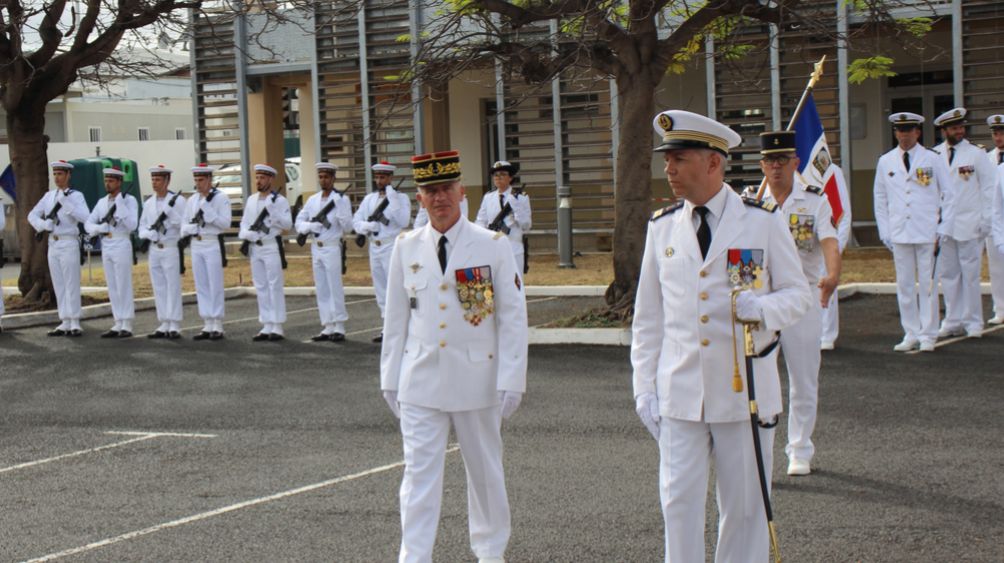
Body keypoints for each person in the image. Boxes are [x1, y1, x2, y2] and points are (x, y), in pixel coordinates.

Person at [632, 110, 811, 562]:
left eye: (679, 158)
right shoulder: (662, 227)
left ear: (713, 163)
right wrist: (644, 389)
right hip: (681, 393)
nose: (668, 169)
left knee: (745, 510)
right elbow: (648, 319)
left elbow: (798, 295)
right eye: (667, 159)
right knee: (678, 506)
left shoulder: (761, 220)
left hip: (744, 392)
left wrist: (764, 309)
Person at [381, 150, 527, 563]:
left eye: (446, 188)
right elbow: (395, 320)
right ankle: (415, 556)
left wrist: (512, 378)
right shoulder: (406, 247)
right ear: (420, 199)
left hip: (478, 381)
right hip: (420, 380)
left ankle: (490, 553)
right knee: (418, 478)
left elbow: (513, 317)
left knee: (484, 476)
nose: (439, 197)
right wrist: (389, 377)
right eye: (430, 191)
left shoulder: (492, 246)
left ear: (462, 192)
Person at [748, 131, 840, 477]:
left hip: (801, 300)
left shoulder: (814, 201)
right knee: (760, 378)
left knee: (803, 379)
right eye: (770, 161)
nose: (775, 167)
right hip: (762, 303)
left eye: (782, 160)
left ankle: (799, 447)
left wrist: (832, 275)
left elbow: (829, 242)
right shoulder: (751, 202)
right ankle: (761, 451)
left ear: (795, 162)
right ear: (762, 165)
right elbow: (741, 252)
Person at [873, 112, 954, 352]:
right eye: (899, 131)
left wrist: (944, 227)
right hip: (900, 231)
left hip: (927, 230)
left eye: (908, 131)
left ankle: (928, 334)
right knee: (905, 285)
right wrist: (884, 230)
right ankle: (910, 332)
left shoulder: (933, 158)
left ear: (917, 132)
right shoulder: (886, 161)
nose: (904, 135)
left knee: (928, 284)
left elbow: (948, 194)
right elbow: (880, 197)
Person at [931, 108, 997, 339]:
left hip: (971, 223)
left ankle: (973, 321)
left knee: (970, 275)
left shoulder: (976, 154)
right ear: (944, 131)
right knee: (948, 275)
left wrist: (986, 220)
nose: (959, 131)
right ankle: (953, 319)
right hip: (945, 226)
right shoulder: (935, 155)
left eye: (961, 127)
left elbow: (989, 189)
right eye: (954, 128)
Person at [28, 160, 90, 337]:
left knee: (71, 283)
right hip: (52, 244)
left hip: (68, 241)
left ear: (68, 175)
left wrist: (67, 204)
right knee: (59, 284)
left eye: (60, 174)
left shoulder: (76, 196)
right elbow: (31, 215)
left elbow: (85, 217)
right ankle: (64, 321)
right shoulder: (48, 196)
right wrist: (42, 224)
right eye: (55, 174)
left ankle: (75, 321)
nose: (57, 177)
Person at [295, 162, 353, 342]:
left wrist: (340, 207)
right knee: (321, 287)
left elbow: (348, 227)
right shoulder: (313, 200)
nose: (323, 180)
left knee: (334, 286)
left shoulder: (341, 200)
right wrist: (309, 226)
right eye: (321, 177)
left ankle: (340, 326)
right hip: (316, 247)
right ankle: (327, 326)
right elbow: (298, 222)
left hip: (331, 246)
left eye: (327, 177)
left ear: (333, 178)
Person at [353, 161, 410, 342]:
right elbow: (356, 219)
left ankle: (400, 327)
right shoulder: (369, 199)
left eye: (383, 177)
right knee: (380, 289)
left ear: (390, 178)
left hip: (390, 245)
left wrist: (392, 200)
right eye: (377, 177)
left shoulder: (400, 199)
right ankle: (386, 327)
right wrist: (365, 226)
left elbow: (403, 221)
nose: (380, 180)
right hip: (374, 246)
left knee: (395, 288)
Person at [238, 163, 293, 341]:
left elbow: (287, 225)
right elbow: (244, 223)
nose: (258, 181)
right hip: (255, 247)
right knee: (260, 285)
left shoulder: (280, 201)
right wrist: (248, 234)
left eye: (262, 178)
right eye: (257, 177)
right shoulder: (252, 199)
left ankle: (277, 326)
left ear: (270, 179)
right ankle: (266, 324)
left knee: (274, 284)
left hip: (270, 246)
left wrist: (273, 211)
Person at [84, 167, 139, 338]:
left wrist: (120, 205)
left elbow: (132, 225)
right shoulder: (101, 202)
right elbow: (88, 223)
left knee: (123, 284)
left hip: (121, 241)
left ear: (119, 182)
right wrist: (99, 228)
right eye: (106, 180)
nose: (107, 183)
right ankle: (117, 322)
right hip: (106, 243)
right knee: (112, 285)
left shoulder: (129, 201)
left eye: (111, 180)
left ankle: (127, 323)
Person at [181, 163, 232, 341]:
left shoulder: (220, 198)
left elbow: (225, 223)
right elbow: (184, 223)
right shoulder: (192, 200)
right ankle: (207, 322)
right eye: (196, 180)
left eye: (201, 180)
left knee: (214, 283)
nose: (198, 183)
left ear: (210, 179)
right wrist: (190, 228)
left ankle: (217, 323)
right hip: (196, 244)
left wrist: (210, 214)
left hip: (211, 243)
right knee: (201, 284)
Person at [138, 164, 187, 339]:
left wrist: (172, 216)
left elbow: (184, 225)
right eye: (153, 179)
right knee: (158, 286)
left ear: (167, 180)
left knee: (172, 285)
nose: (155, 182)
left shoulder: (178, 201)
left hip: (170, 247)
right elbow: (141, 225)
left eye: (158, 179)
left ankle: (174, 323)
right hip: (154, 249)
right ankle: (164, 322)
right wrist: (147, 234)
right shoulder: (149, 202)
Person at [475, 161, 532, 273]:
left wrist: (517, 209)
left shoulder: (521, 197)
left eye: (502, 174)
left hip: (514, 248)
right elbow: (480, 221)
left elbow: (526, 225)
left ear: (510, 178)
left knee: (516, 285)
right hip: (493, 247)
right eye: (495, 175)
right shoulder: (488, 197)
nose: (498, 177)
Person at [819, 165, 851, 350]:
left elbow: (843, 213)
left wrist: (836, 248)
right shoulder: (790, 169)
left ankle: (826, 333)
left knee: (826, 283)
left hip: (825, 240)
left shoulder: (831, 171)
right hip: (796, 242)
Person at [984, 114, 1004, 325]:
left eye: (1002, 133)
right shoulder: (987, 158)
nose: (998, 138)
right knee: (997, 268)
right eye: (995, 133)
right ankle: (1000, 308)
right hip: (994, 221)